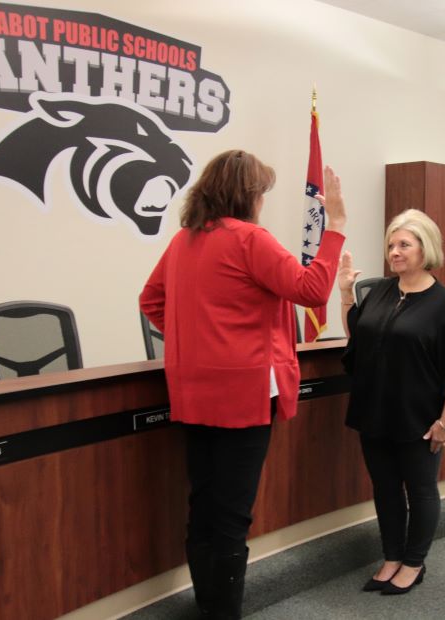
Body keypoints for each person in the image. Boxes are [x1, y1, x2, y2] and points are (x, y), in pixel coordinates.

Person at [139, 149, 346, 619]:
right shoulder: (250, 239)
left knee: (204, 508)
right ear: (248, 195)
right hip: (244, 397)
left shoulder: (184, 241)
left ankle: (208, 608)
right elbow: (311, 291)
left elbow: (151, 301)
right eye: (262, 193)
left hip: (193, 394)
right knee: (232, 516)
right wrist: (334, 225)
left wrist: (199, 341)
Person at [338, 208, 445, 596]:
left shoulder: (443, 303)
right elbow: (358, 337)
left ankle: (414, 562)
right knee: (384, 488)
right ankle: (392, 557)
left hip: (419, 415)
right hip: (374, 409)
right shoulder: (382, 290)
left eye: (404, 244)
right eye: (390, 245)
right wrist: (347, 292)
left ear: (424, 248)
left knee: (420, 490)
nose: (394, 252)